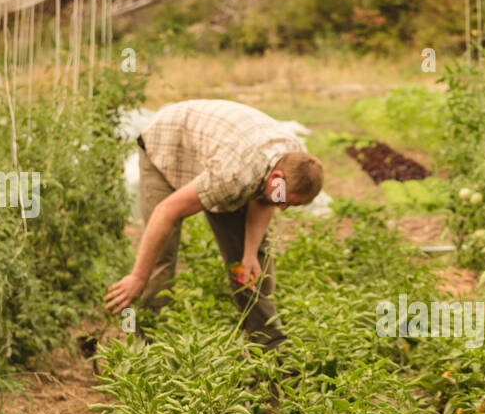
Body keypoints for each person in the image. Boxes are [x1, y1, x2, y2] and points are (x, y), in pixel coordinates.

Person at [104, 99, 324, 350]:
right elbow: (165, 212)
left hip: (219, 150)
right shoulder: (232, 177)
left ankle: (269, 349)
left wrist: (249, 253)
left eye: (290, 205)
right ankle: (146, 349)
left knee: (252, 263)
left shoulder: (293, 159)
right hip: (166, 146)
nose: (282, 208)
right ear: (277, 178)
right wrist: (137, 276)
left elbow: (264, 201)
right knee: (161, 259)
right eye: (283, 200)